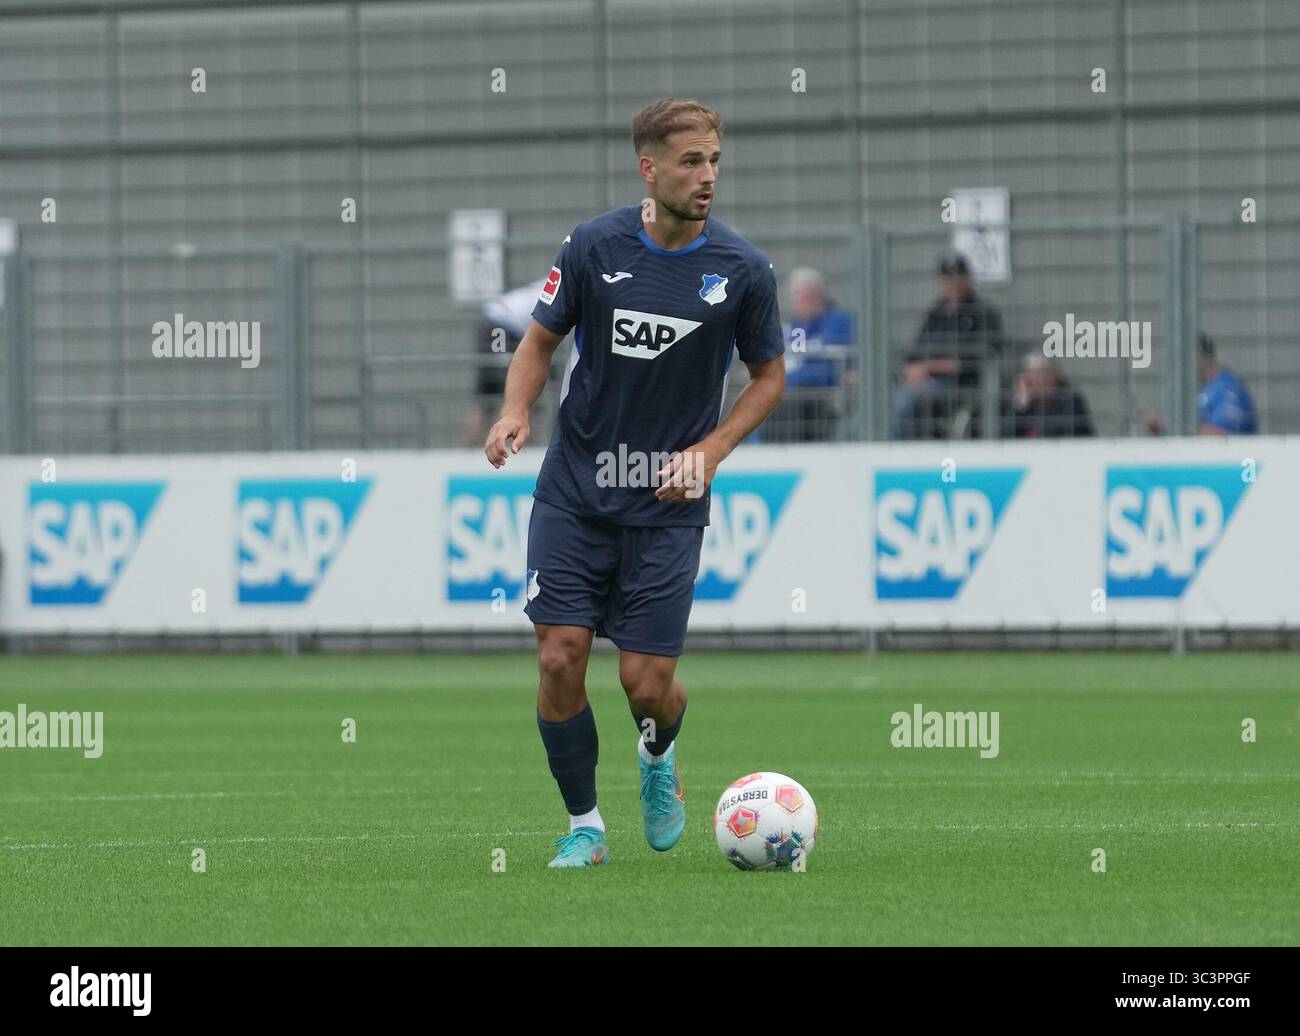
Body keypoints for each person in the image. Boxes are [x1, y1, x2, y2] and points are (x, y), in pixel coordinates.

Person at [483, 98, 786, 869]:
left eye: (715, 159)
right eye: (691, 162)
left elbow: (768, 378)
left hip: (668, 503)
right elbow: (538, 343)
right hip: (576, 490)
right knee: (559, 657)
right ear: (648, 169)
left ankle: (658, 761)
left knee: (647, 685)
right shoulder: (593, 246)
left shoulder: (743, 270)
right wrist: (515, 411)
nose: (708, 175)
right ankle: (586, 826)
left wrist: (711, 452)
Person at [893, 250, 1003, 439]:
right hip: (922, 382)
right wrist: (910, 370)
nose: (954, 284)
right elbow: (914, 351)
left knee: (903, 402)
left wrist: (927, 367)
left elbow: (976, 358)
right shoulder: (936, 313)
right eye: (949, 279)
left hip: (957, 385)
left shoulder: (981, 312)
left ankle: (896, 454)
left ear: (968, 278)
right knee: (884, 401)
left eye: (958, 278)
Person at [762, 267, 854, 442]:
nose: (803, 302)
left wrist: (780, 380)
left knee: (785, 406)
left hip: (822, 394)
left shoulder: (837, 321)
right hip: (791, 392)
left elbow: (826, 367)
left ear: (821, 297)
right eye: (799, 297)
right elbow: (794, 360)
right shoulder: (797, 327)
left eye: (808, 296)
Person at [464, 277, 548, 446]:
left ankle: (472, 447)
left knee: (488, 398)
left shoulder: (554, 281)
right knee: (520, 392)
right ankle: (475, 447)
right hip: (500, 327)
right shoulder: (561, 288)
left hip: (502, 324)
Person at [1143, 332, 1258, 435]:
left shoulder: (1229, 389)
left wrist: (1174, 428)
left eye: (1184, 360)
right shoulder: (1200, 390)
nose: (1181, 367)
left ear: (1201, 358)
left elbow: (1220, 436)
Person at [1006, 353, 1095, 438]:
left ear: (1053, 376)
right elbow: (1007, 435)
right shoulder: (1027, 404)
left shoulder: (1070, 399)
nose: (1034, 380)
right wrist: (1021, 403)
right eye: (1030, 376)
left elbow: (1072, 434)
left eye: (1039, 374)